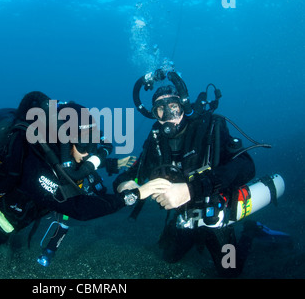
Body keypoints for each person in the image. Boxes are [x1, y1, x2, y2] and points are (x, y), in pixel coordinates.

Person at [113, 69, 275, 277]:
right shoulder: (156, 141)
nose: (168, 115)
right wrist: (126, 184)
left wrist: (192, 189)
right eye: (160, 110)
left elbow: (246, 167)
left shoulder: (209, 128)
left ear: (184, 106)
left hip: (217, 215)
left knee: (230, 272)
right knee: (169, 257)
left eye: (173, 107)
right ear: (153, 114)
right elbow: (133, 173)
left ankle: (250, 232)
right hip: (185, 217)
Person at [0, 92, 142, 249]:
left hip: (36, 203)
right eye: (86, 143)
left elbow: (78, 160)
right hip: (9, 206)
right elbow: (80, 209)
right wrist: (128, 197)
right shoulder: (37, 163)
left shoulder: (64, 153)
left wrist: (111, 164)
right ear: (64, 141)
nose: (90, 152)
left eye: (94, 142)